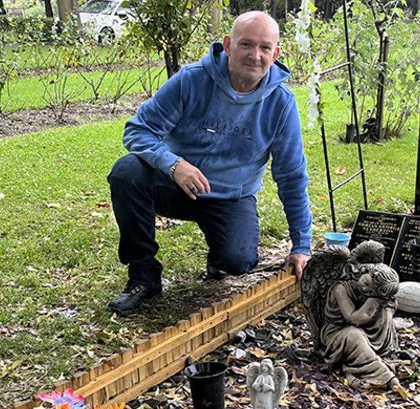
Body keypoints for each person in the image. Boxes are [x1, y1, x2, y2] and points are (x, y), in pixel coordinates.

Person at [106, 11, 313, 315]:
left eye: (264, 48)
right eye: (246, 45)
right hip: (177, 185)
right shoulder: (191, 80)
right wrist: (174, 165)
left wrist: (301, 246)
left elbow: (291, 176)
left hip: (231, 196)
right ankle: (143, 275)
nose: (255, 55)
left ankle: (219, 254)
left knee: (238, 261)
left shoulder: (281, 103)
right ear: (228, 45)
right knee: (127, 173)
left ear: (276, 53)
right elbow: (138, 130)